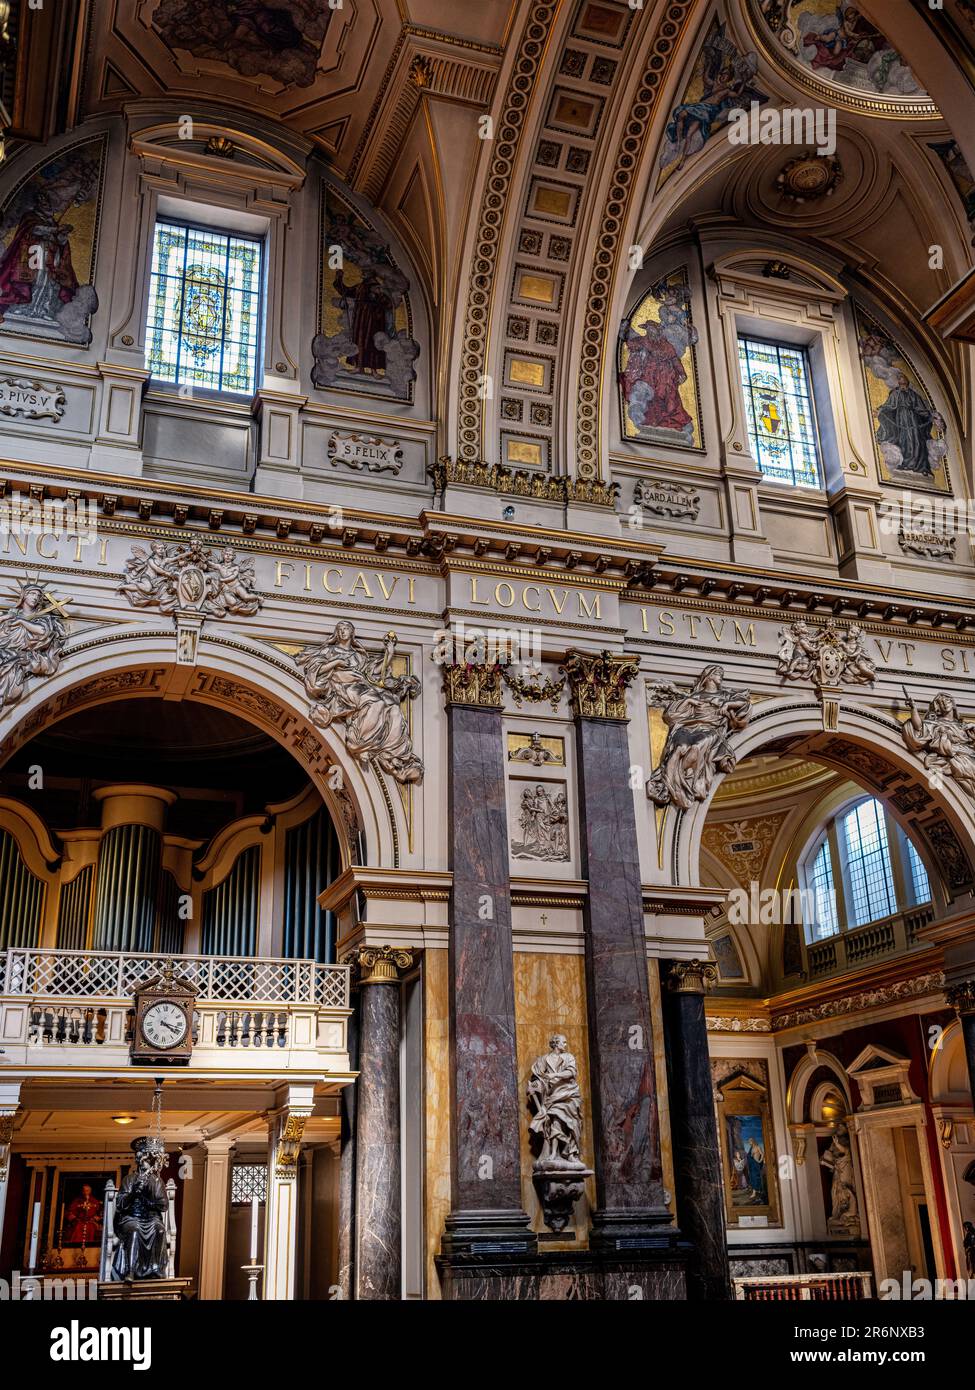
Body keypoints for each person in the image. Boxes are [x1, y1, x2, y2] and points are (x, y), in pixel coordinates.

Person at [111, 1138, 169, 1281]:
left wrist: (149, 1196)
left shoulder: (157, 1181)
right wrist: (134, 1192)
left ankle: (156, 1269)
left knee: (160, 1230)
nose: (144, 1164)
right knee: (135, 1229)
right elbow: (121, 1204)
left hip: (151, 1218)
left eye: (147, 1161)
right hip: (131, 1217)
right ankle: (130, 1271)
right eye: (141, 1160)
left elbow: (164, 1205)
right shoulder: (129, 1179)